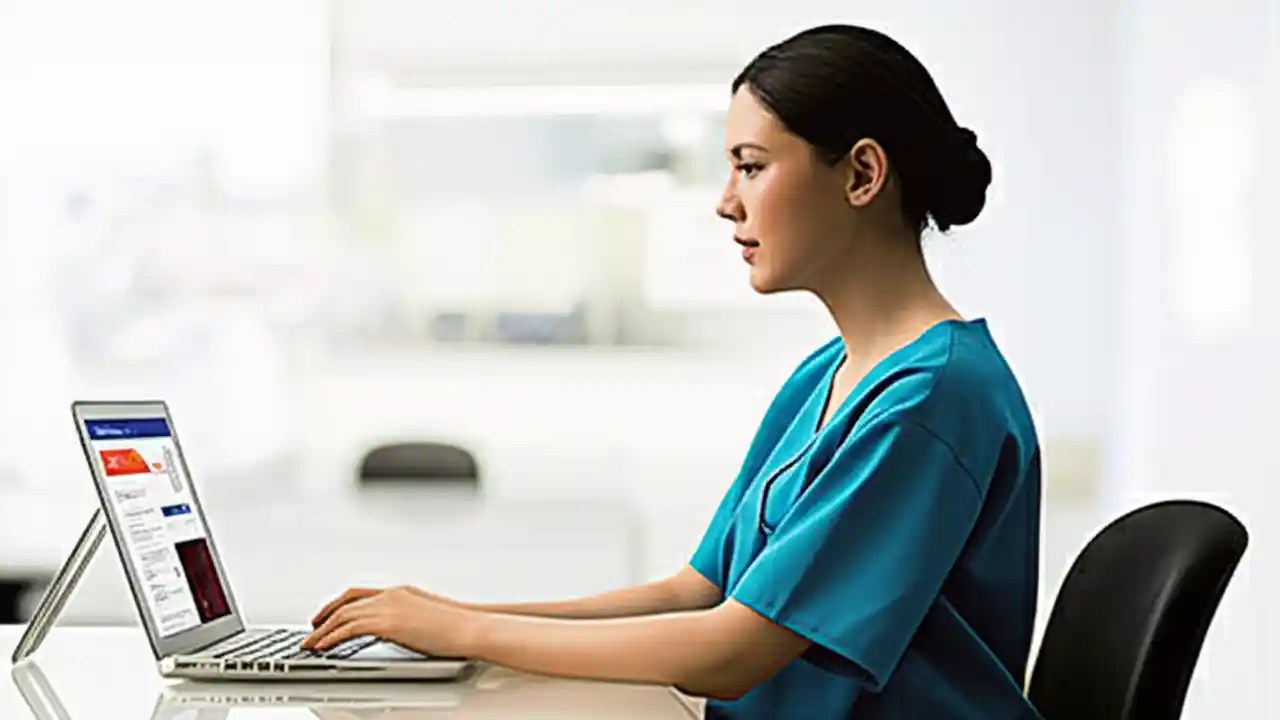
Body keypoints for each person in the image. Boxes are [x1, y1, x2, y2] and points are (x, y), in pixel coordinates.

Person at [304, 24, 1042, 719]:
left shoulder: (932, 401)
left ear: (861, 174)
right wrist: (457, 621)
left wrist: (466, 632)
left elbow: (729, 652)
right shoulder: (830, 375)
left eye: (751, 167)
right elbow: (694, 595)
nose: (726, 203)